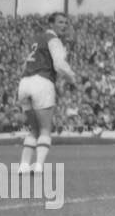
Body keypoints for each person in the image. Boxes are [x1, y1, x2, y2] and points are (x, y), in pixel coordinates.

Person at [15, 12, 77, 174]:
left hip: (25, 82)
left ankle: (23, 165)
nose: (64, 25)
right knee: (45, 129)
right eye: (60, 22)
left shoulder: (37, 39)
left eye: (66, 23)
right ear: (51, 24)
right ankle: (39, 166)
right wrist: (72, 79)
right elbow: (59, 65)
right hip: (42, 82)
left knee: (33, 129)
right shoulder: (53, 39)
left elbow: (26, 63)